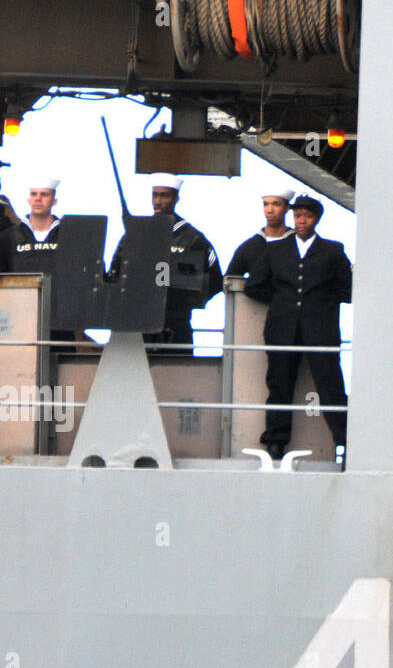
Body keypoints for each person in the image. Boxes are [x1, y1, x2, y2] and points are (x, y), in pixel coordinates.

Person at [244, 194, 352, 460]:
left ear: (316, 219)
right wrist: (283, 301)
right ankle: (276, 441)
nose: (301, 221)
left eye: (307, 216)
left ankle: (346, 439)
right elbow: (254, 286)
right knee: (279, 384)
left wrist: (319, 302)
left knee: (330, 385)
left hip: (321, 330)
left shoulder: (333, 251)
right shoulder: (275, 250)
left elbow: (347, 290)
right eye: (298, 216)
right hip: (282, 328)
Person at [110, 173, 223, 353]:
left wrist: (184, 301)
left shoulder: (193, 239)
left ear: (176, 198)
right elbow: (114, 274)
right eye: (155, 195)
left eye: (164, 195)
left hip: (175, 324)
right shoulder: (135, 235)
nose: (157, 201)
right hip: (137, 325)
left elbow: (215, 280)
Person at [0, 176, 74, 344]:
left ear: (54, 200)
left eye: (44, 194)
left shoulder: (70, 237)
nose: (38, 198)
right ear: (28, 199)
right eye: (34, 194)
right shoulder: (8, 238)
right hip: (19, 320)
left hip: (60, 320)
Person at [226, 186, 294, 277]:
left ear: (287, 208)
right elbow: (230, 281)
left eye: (276, 204)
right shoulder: (249, 247)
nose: (270, 210)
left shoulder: (298, 244)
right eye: (266, 204)